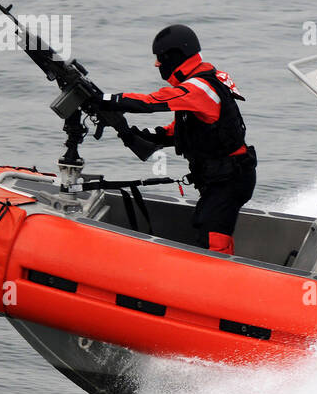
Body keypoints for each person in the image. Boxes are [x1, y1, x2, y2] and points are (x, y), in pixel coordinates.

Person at [95, 24, 255, 255]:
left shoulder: (198, 87)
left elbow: (150, 102)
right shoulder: (202, 81)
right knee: (208, 228)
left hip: (229, 180)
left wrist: (104, 99)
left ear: (175, 56)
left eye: (160, 58)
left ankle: (218, 284)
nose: (156, 64)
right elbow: (180, 131)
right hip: (223, 178)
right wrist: (139, 134)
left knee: (212, 240)